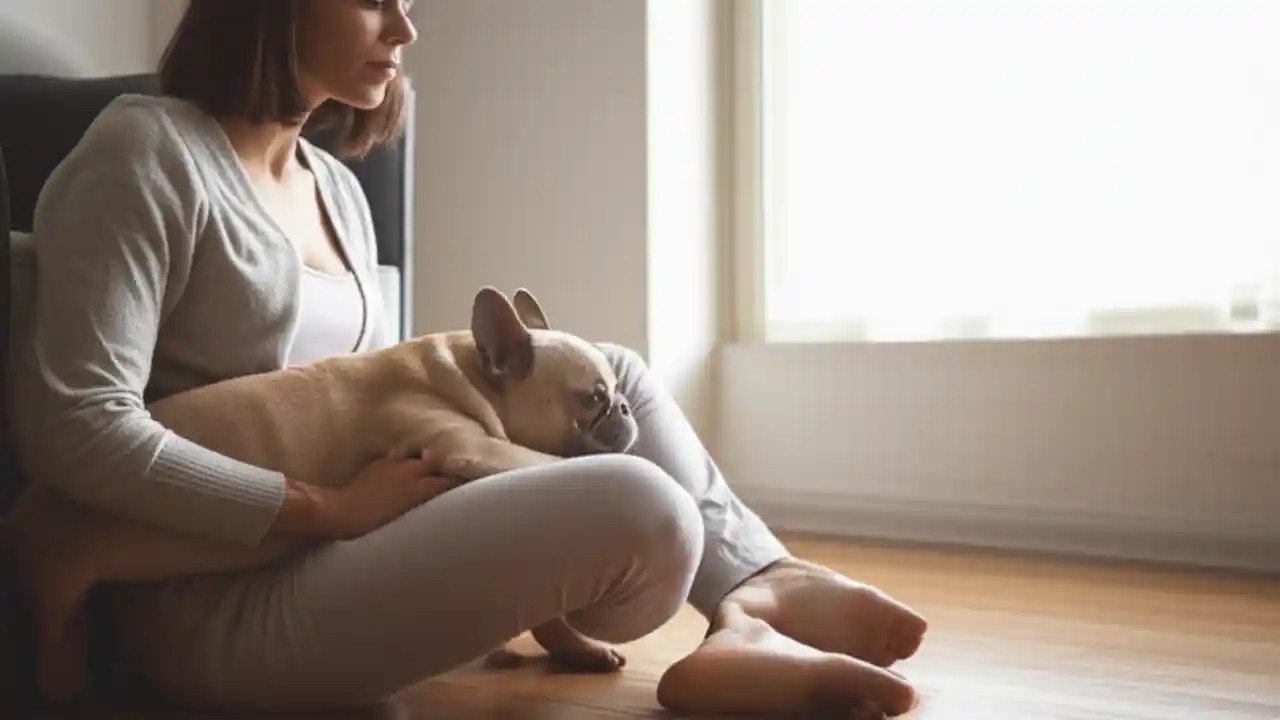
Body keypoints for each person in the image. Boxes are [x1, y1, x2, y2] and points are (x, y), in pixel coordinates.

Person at [11, 0, 928, 715]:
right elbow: (76, 427)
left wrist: (378, 512)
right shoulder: (145, 152)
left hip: (344, 550)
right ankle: (741, 602)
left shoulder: (333, 186)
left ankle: (753, 603)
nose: (405, 29)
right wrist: (320, 507)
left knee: (619, 372)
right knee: (641, 499)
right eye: (376, 2)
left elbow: (384, 423)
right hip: (202, 591)